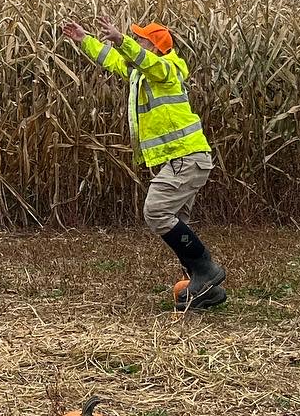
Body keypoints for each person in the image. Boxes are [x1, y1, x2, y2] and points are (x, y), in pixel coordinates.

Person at [63, 17, 227, 310]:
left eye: (140, 40)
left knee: (156, 211)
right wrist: (84, 39)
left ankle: (206, 271)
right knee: (178, 223)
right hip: (180, 159)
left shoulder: (167, 69)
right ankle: (206, 291)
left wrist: (120, 39)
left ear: (153, 46)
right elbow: (114, 61)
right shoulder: (142, 74)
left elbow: (145, 61)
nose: (135, 42)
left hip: (187, 156)